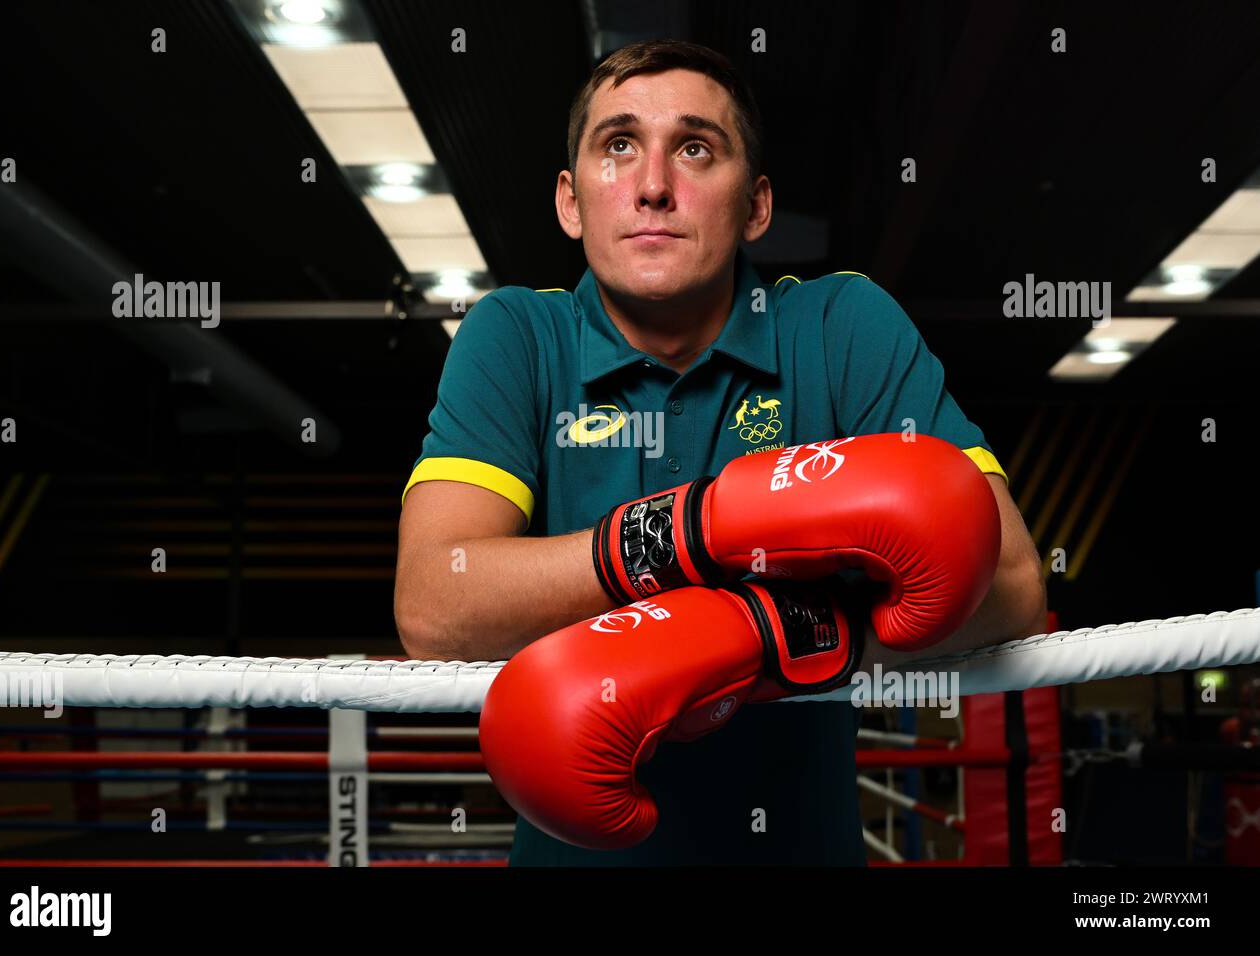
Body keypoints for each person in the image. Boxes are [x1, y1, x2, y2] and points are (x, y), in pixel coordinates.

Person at [396, 39, 1047, 865]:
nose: (653, 185)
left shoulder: (839, 326)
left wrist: (751, 633)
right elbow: (433, 603)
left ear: (756, 206)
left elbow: (1012, 586)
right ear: (570, 201)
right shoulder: (518, 335)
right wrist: (697, 531)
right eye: (618, 145)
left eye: (696, 149)